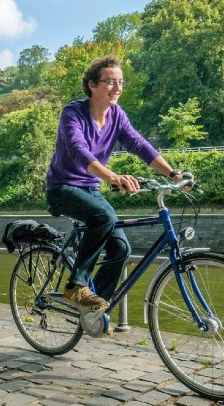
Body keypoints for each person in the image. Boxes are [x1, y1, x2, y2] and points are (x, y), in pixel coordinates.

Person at [46, 55, 185, 311]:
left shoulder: (117, 115)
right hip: (62, 188)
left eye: (121, 82)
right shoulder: (73, 113)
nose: (118, 88)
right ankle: (76, 285)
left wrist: (173, 174)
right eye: (110, 82)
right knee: (103, 216)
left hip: (90, 188)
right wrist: (112, 177)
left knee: (121, 248)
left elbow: (139, 145)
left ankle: (95, 310)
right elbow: (78, 150)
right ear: (92, 85)